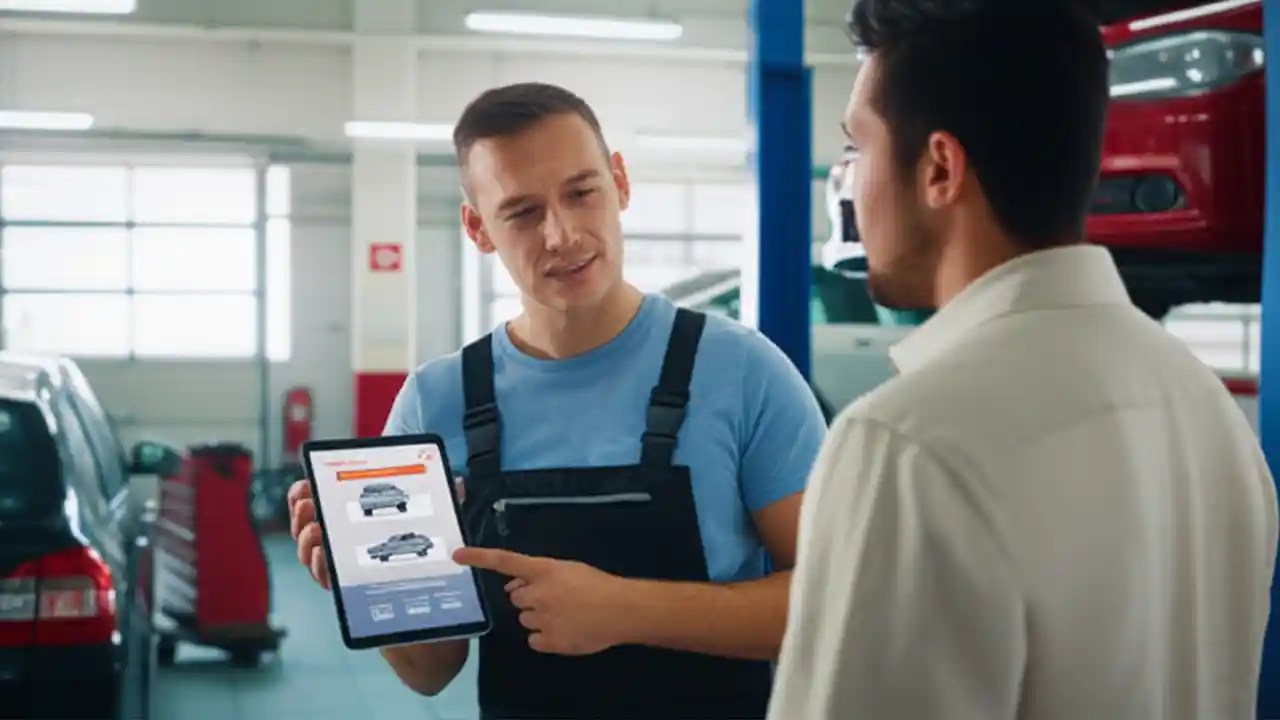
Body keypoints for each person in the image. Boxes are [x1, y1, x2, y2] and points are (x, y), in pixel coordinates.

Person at [768, 1, 1280, 719]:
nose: (852, 184)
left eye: (860, 147)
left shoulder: (910, 444)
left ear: (940, 167)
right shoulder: (1205, 411)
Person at [288, 81, 828, 719]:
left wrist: (624, 610)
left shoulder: (743, 372)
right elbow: (431, 671)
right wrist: (369, 585)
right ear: (477, 227)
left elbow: (833, 603)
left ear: (619, 183)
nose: (562, 234)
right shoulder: (436, 403)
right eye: (521, 211)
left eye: (581, 193)